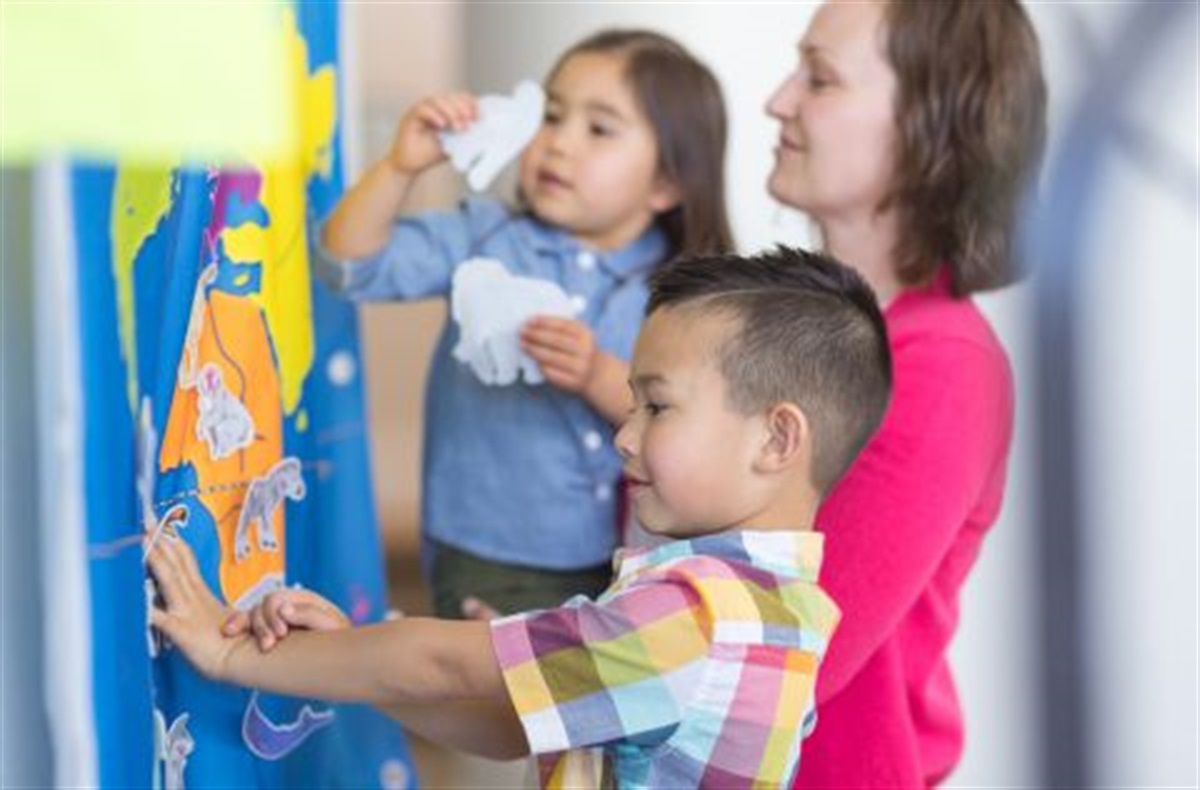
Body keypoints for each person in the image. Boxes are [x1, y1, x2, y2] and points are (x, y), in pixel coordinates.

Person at [147, 247, 893, 788]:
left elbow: (446, 663)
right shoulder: (786, 613)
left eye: (658, 407)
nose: (624, 435)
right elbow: (513, 724)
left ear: (778, 438)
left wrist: (231, 655)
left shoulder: (695, 620)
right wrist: (354, 663)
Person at [315, 28, 733, 620]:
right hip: (490, 551)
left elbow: (697, 423)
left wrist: (595, 375)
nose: (558, 144)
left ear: (667, 182)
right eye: (552, 116)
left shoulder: (680, 291)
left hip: (627, 556)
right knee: (490, 697)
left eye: (599, 129)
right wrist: (399, 167)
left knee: (573, 706)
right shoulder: (483, 235)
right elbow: (347, 265)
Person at [764, 1, 1047, 786]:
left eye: (818, 77)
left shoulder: (945, 366)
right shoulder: (772, 326)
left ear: (928, 125)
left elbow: (781, 662)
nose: (778, 100)